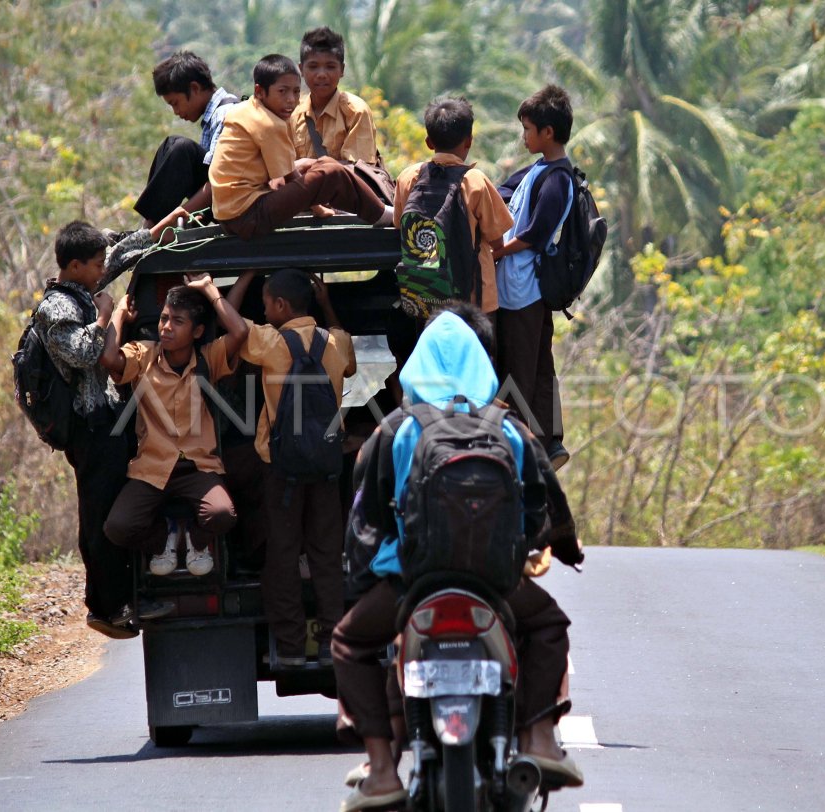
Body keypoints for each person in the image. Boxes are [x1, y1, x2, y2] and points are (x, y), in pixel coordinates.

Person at [332, 305, 585, 811]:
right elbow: (545, 504)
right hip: (494, 580)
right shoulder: (510, 428)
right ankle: (537, 739)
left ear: (417, 363)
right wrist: (551, 547)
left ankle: (382, 771)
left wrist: (360, 591)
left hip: (414, 579)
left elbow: (365, 525)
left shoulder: (394, 432)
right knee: (548, 624)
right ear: (481, 362)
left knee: (348, 642)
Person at [32, 221, 168, 639]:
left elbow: (121, 253)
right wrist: (109, 314)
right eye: (95, 265)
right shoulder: (57, 309)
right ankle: (106, 606)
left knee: (109, 509)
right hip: (90, 430)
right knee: (102, 516)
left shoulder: (81, 287)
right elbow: (85, 352)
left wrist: (168, 226)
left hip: (109, 422)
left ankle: (124, 596)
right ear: (74, 266)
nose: (101, 270)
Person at [225, 268, 356, 668]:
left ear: (280, 306)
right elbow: (348, 365)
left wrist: (238, 280)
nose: (263, 312)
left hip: (280, 468)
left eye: (266, 304)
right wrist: (329, 302)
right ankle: (334, 645)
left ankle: (292, 649)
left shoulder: (269, 343)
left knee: (282, 557)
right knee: (327, 556)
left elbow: (229, 320)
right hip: (326, 467)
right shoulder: (336, 343)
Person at [100, 276, 248, 577]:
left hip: (198, 468)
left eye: (177, 322)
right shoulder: (144, 356)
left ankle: (195, 539)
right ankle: (165, 538)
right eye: (164, 318)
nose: (166, 327)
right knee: (117, 527)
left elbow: (240, 330)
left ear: (198, 331)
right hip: (151, 468)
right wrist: (117, 313)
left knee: (223, 515)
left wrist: (208, 289)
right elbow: (108, 357)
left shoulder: (209, 359)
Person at [386, 96, 513, 402]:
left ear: (429, 141)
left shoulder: (409, 177)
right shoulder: (476, 182)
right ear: (468, 141)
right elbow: (498, 240)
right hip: (474, 300)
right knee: (477, 369)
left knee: (433, 370)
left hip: (425, 296)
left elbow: (399, 226)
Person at [208, 54, 392, 241]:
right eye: (282, 91)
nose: (291, 100)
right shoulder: (269, 124)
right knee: (331, 172)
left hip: (230, 214)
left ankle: (373, 208)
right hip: (248, 215)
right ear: (260, 91)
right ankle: (380, 214)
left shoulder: (244, 110)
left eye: (296, 92)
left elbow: (282, 172)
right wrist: (319, 208)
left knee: (322, 163)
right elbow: (290, 178)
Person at [493, 85, 576, 470]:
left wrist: (497, 251)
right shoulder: (538, 170)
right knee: (539, 367)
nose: (524, 137)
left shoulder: (559, 180)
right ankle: (547, 444)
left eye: (528, 129)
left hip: (522, 291)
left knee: (520, 372)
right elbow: (501, 193)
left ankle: (523, 452)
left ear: (547, 132)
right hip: (524, 288)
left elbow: (533, 236)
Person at [136, 52, 239, 233]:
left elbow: (219, 182)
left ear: (195, 88)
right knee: (170, 146)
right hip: (218, 196)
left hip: (234, 197)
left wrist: (175, 219)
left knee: (180, 148)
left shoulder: (226, 114)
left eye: (175, 103)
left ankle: (148, 232)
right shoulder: (213, 117)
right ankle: (146, 228)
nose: (176, 112)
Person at [290, 27, 380, 165]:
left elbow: (360, 170)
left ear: (342, 70)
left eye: (330, 67)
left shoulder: (355, 112)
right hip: (301, 186)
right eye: (313, 67)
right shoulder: (292, 114)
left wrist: (308, 164)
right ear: (301, 70)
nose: (321, 74)